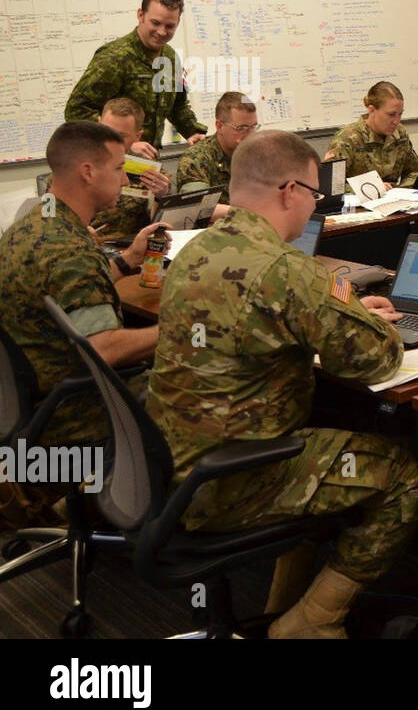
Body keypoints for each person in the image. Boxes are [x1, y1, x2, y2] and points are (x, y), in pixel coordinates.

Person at [146, 130, 418, 639]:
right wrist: (365, 318)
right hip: (229, 481)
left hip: (166, 462)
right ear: (290, 191)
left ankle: (280, 605)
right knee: (401, 473)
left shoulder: (196, 250)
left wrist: (341, 311)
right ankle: (313, 621)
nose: (314, 207)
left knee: (324, 431)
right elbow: (375, 360)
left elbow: (260, 320)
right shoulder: (289, 269)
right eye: (315, 196)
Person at [0, 122, 165, 448]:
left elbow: (67, 291)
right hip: (74, 415)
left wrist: (128, 258)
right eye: (119, 169)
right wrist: (180, 327)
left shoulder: (31, 225)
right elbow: (103, 348)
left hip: (29, 402)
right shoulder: (71, 251)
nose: (124, 180)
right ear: (87, 172)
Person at [64, 0, 207, 151]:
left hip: (149, 159)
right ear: (141, 15)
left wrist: (191, 130)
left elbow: (177, 106)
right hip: (112, 159)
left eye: (169, 26)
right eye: (155, 23)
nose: (161, 32)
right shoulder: (115, 57)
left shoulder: (170, 57)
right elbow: (76, 110)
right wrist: (125, 142)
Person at [90, 99, 171, 245]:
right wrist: (73, 230)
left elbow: (163, 226)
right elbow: (48, 211)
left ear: (137, 136)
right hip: (89, 248)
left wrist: (161, 197)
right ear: (98, 123)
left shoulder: (152, 173)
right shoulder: (77, 162)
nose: (109, 140)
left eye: (120, 136)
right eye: (105, 131)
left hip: (134, 247)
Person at [324, 81, 418, 189]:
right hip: (361, 202)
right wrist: (371, 188)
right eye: (391, 114)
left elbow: (415, 172)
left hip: (394, 201)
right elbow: (331, 185)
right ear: (372, 110)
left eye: (400, 114)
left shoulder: (399, 134)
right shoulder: (348, 138)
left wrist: (400, 191)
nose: (396, 121)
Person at [175, 90, 260, 203]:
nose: (250, 135)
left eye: (253, 127)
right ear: (219, 126)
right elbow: (197, 206)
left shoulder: (259, 154)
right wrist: (248, 212)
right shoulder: (196, 159)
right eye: (242, 128)